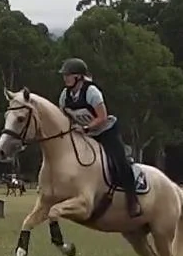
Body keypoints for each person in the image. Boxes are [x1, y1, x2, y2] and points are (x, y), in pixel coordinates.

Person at [57, 57, 142, 218]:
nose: (65, 78)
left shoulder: (91, 92)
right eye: (64, 75)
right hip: (84, 134)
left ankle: (133, 200)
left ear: (79, 77)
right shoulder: (65, 95)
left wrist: (86, 128)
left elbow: (102, 117)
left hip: (105, 132)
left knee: (120, 161)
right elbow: (63, 116)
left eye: (68, 75)